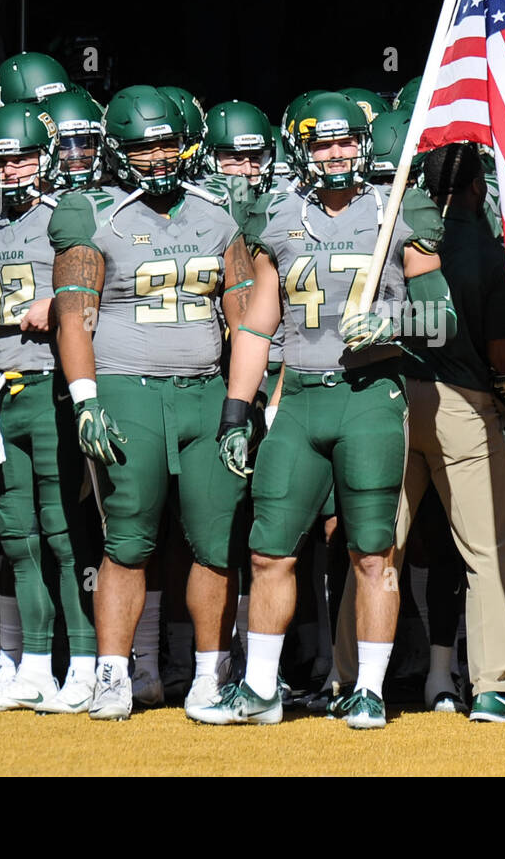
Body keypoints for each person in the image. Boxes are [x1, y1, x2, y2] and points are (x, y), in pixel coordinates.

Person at [193, 91, 453, 729]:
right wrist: (236, 408)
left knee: (372, 552)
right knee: (268, 551)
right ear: (300, 149)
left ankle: (367, 688)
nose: (337, 154)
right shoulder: (277, 218)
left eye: (345, 141)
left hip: (370, 396)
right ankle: (259, 687)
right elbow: (257, 324)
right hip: (302, 397)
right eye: (322, 143)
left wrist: (391, 319)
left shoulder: (398, 209)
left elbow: (442, 317)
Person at [50, 85, 253, 720]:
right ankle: (114, 673)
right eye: (143, 145)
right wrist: (85, 399)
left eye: (167, 142)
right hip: (125, 388)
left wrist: (250, 399)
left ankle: (208, 673)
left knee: (214, 542)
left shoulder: (217, 211)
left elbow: (244, 313)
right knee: (129, 539)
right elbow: (72, 317)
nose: (159, 157)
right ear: (117, 149)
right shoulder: (92, 213)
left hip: (203, 392)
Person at [329, 142, 505, 721]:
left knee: (374, 548)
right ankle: (492, 685)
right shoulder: (487, 250)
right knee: (487, 551)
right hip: (460, 406)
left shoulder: (391, 230)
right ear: (476, 188)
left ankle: (347, 679)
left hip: (387, 397)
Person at [0, 103, 99, 715]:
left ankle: (87, 662)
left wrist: (57, 301)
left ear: (45, 155)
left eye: (20, 155)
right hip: (2, 391)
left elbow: (102, 284)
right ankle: (36, 664)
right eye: (0, 158)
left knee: (65, 533)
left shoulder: (67, 214)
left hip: (53, 388)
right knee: (17, 534)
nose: (12, 169)